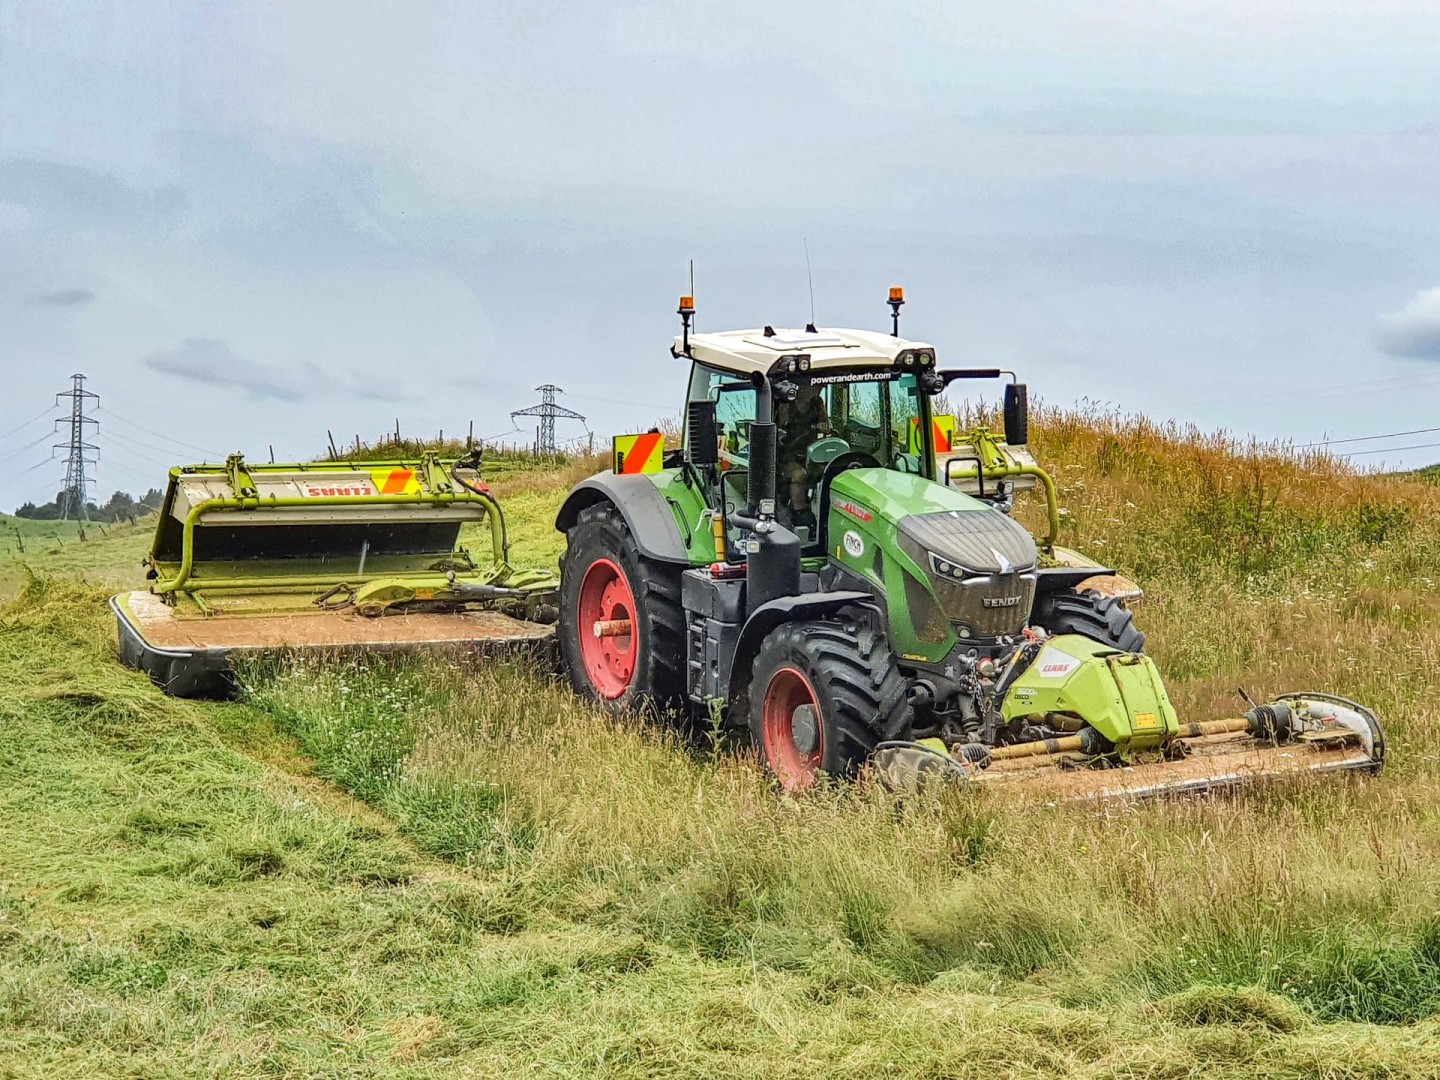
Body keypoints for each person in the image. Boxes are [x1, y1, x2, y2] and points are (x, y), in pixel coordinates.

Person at [775, 383, 830, 526]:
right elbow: (780, 427)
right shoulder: (787, 403)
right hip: (786, 456)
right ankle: (799, 513)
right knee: (799, 475)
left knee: (829, 472)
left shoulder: (817, 403)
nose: (819, 390)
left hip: (811, 454)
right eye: (816, 387)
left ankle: (825, 514)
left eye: (821, 388)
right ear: (804, 388)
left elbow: (827, 426)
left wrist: (824, 427)